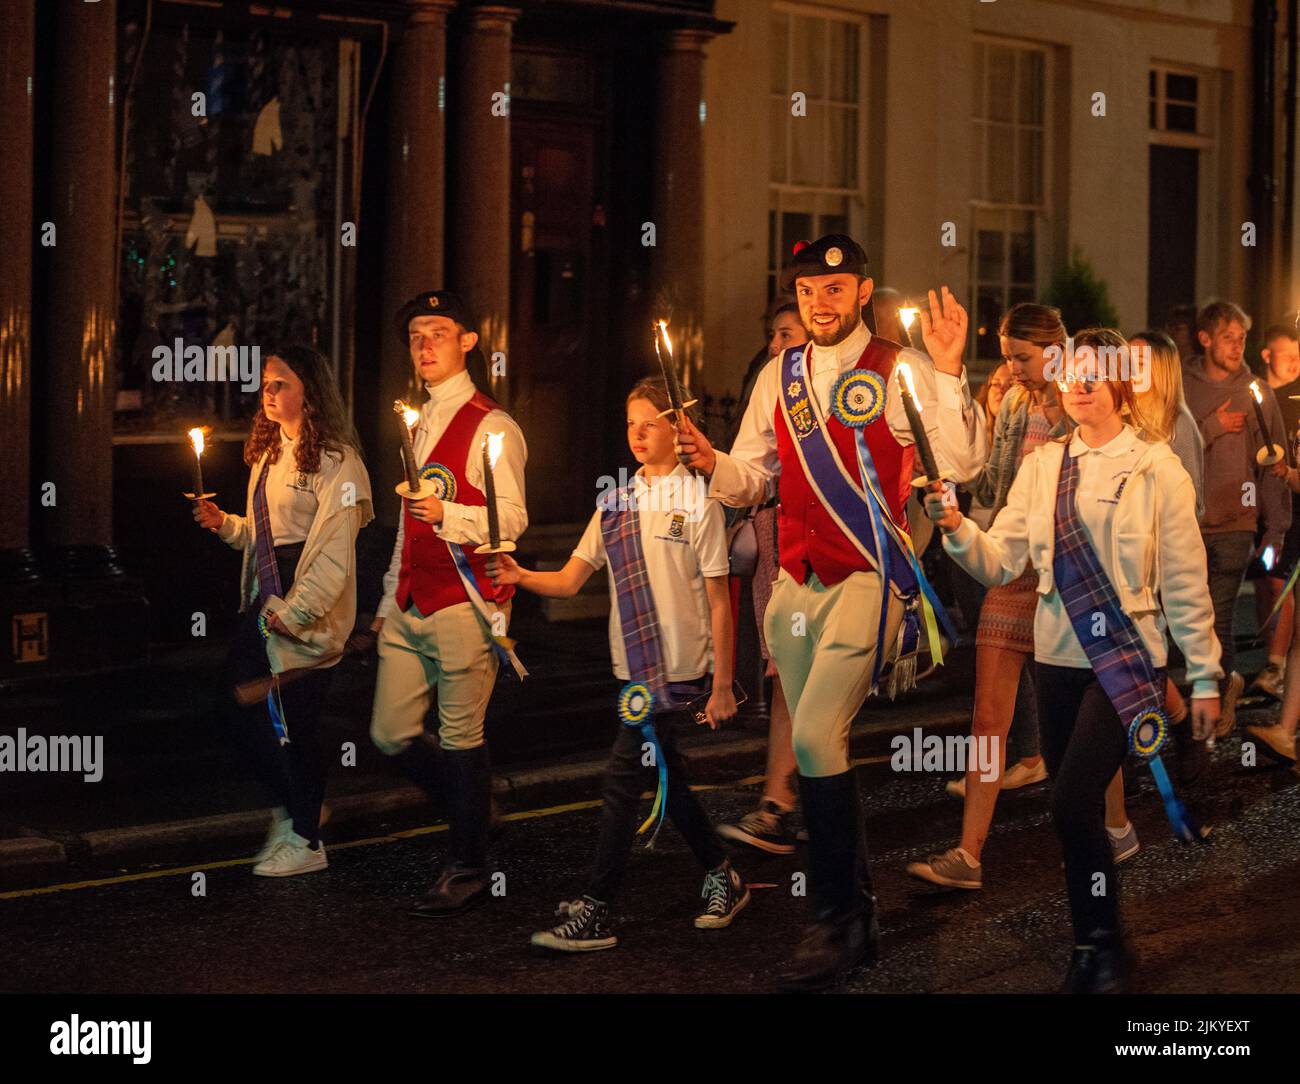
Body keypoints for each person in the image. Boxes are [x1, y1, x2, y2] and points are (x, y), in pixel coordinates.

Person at [676, 234, 987, 990]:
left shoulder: (900, 365)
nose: (821, 300)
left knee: (815, 734)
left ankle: (837, 921)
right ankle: (860, 912)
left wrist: (947, 369)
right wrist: (714, 462)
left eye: (836, 288)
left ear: (863, 291)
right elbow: (757, 476)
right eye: (809, 289)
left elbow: (965, 462)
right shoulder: (779, 375)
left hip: (870, 574)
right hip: (797, 579)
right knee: (819, 742)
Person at [927, 327, 1222, 993]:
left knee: (1068, 801)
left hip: (1128, 660)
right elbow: (1002, 559)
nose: (1079, 383)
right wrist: (954, 528)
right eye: (1070, 372)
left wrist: (1203, 673)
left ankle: (1098, 946)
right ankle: (1099, 932)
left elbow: (1185, 580)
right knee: (1076, 811)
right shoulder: (1043, 467)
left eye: (1095, 372)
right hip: (1058, 658)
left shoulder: (1157, 467)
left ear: (1120, 384)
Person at [491, 379, 746, 950]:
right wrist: (519, 576)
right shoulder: (615, 502)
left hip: (677, 670)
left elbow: (719, 602)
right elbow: (571, 578)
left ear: (676, 427)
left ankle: (599, 907)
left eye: (649, 422)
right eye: (630, 423)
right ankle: (721, 873)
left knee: (621, 781)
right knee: (667, 781)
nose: (636, 433)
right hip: (630, 672)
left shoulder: (699, 502)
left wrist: (723, 684)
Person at [368, 290, 528, 917]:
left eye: (439, 332)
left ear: (469, 341)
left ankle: (467, 867)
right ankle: (476, 808)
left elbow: (513, 517)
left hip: (466, 602)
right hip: (411, 601)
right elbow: (409, 525)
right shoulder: (418, 419)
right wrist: (387, 595)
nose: (425, 344)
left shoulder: (492, 425)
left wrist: (451, 513)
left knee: (462, 736)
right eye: (415, 335)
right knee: (389, 732)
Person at [193, 345, 373, 876]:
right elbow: (263, 535)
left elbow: (332, 554)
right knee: (234, 704)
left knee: (298, 723)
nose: (268, 393)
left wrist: (295, 612)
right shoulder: (270, 454)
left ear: (310, 392)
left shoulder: (340, 462)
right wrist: (225, 523)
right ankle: (297, 809)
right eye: (266, 384)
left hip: (307, 604)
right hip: (268, 596)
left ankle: (307, 840)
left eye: (281, 384)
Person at [907, 303, 1064, 892]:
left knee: (1083, 708)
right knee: (988, 717)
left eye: (1020, 357)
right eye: (1005, 356)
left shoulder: (1086, 396)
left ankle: (1121, 815)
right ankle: (968, 854)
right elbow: (994, 483)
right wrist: (990, 413)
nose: (1011, 368)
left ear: (1054, 348)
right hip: (1012, 563)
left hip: (1066, 573)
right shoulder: (1018, 399)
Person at [718, 302, 810, 854]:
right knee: (786, 676)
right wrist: (713, 463)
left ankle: (792, 801)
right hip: (774, 538)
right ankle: (780, 800)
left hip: (818, 545)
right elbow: (750, 470)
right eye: (771, 333)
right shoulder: (771, 383)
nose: (775, 343)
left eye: (785, 333)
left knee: (807, 680)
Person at [1181, 300, 1290, 736]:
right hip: (1186, 523)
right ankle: (1216, 687)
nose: (1237, 345)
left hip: (1235, 523)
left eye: (1242, 337)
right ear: (1206, 338)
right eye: (1228, 337)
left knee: (1218, 616)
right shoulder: (1184, 388)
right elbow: (1169, 444)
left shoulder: (1256, 392)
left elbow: (1273, 462)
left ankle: (1213, 704)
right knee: (1188, 618)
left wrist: (1276, 528)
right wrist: (1211, 428)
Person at [1246, 324, 1300, 699]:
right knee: (1266, 579)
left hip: (1292, 504)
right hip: (1257, 498)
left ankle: (1277, 665)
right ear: (1267, 355)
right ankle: (1272, 654)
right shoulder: (1260, 395)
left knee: (1282, 580)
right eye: (1287, 355)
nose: (1295, 362)